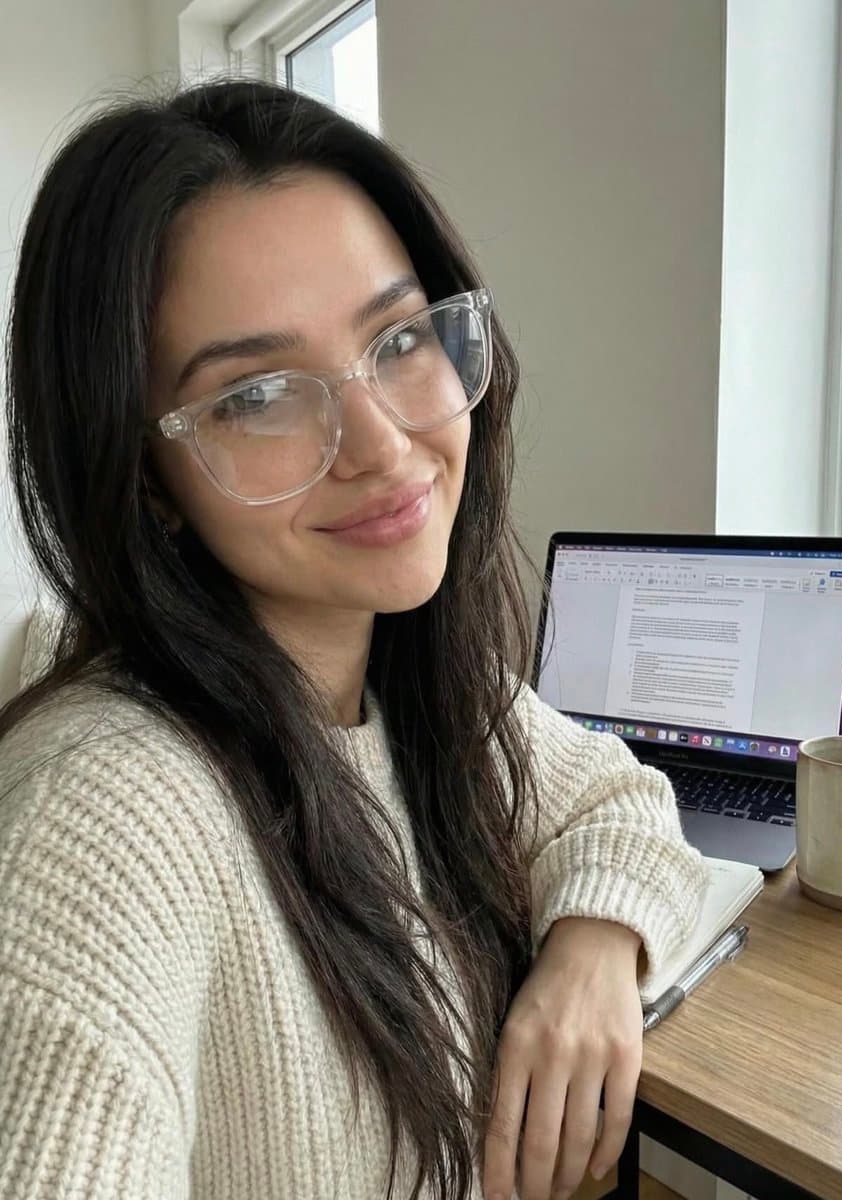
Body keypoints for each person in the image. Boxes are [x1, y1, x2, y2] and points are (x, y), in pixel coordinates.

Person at [0, 80, 707, 1200]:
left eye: (403, 338)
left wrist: (594, 948)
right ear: (146, 477)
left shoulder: (399, 686)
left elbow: (614, 800)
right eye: (258, 396)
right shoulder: (107, 816)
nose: (383, 444)